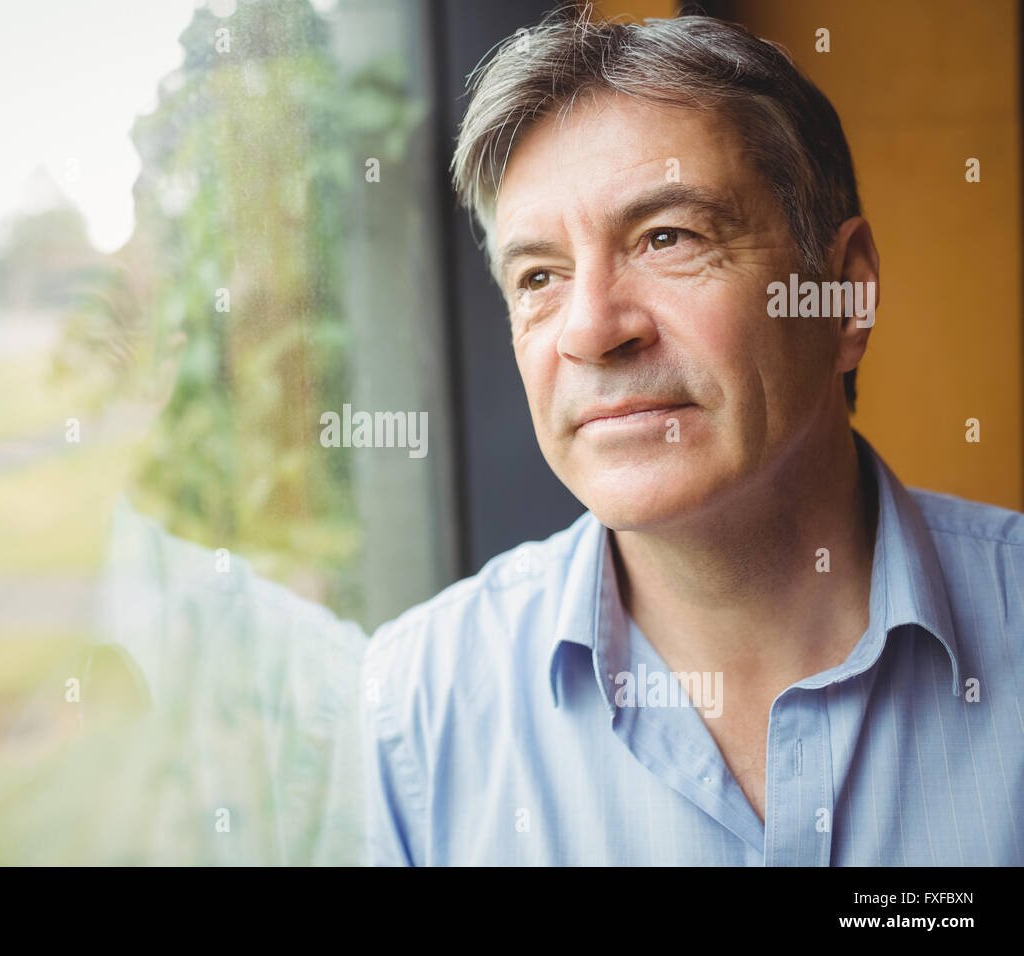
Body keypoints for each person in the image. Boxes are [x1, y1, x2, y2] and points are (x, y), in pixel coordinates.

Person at [358, 5, 1024, 865]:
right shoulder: (417, 703)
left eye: (669, 237)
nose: (592, 330)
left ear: (847, 295)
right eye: (539, 277)